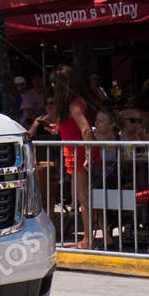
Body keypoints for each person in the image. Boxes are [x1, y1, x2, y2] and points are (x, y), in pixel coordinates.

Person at [53, 67, 96, 248]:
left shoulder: (74, 105)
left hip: (79, 152)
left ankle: (88, 239)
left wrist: (87, 154)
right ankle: (98, 236)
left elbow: (85, 129)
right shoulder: (74, 104)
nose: (53, 86)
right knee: (83, 197)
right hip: (75, 151)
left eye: (55, 83)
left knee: (83, 198)